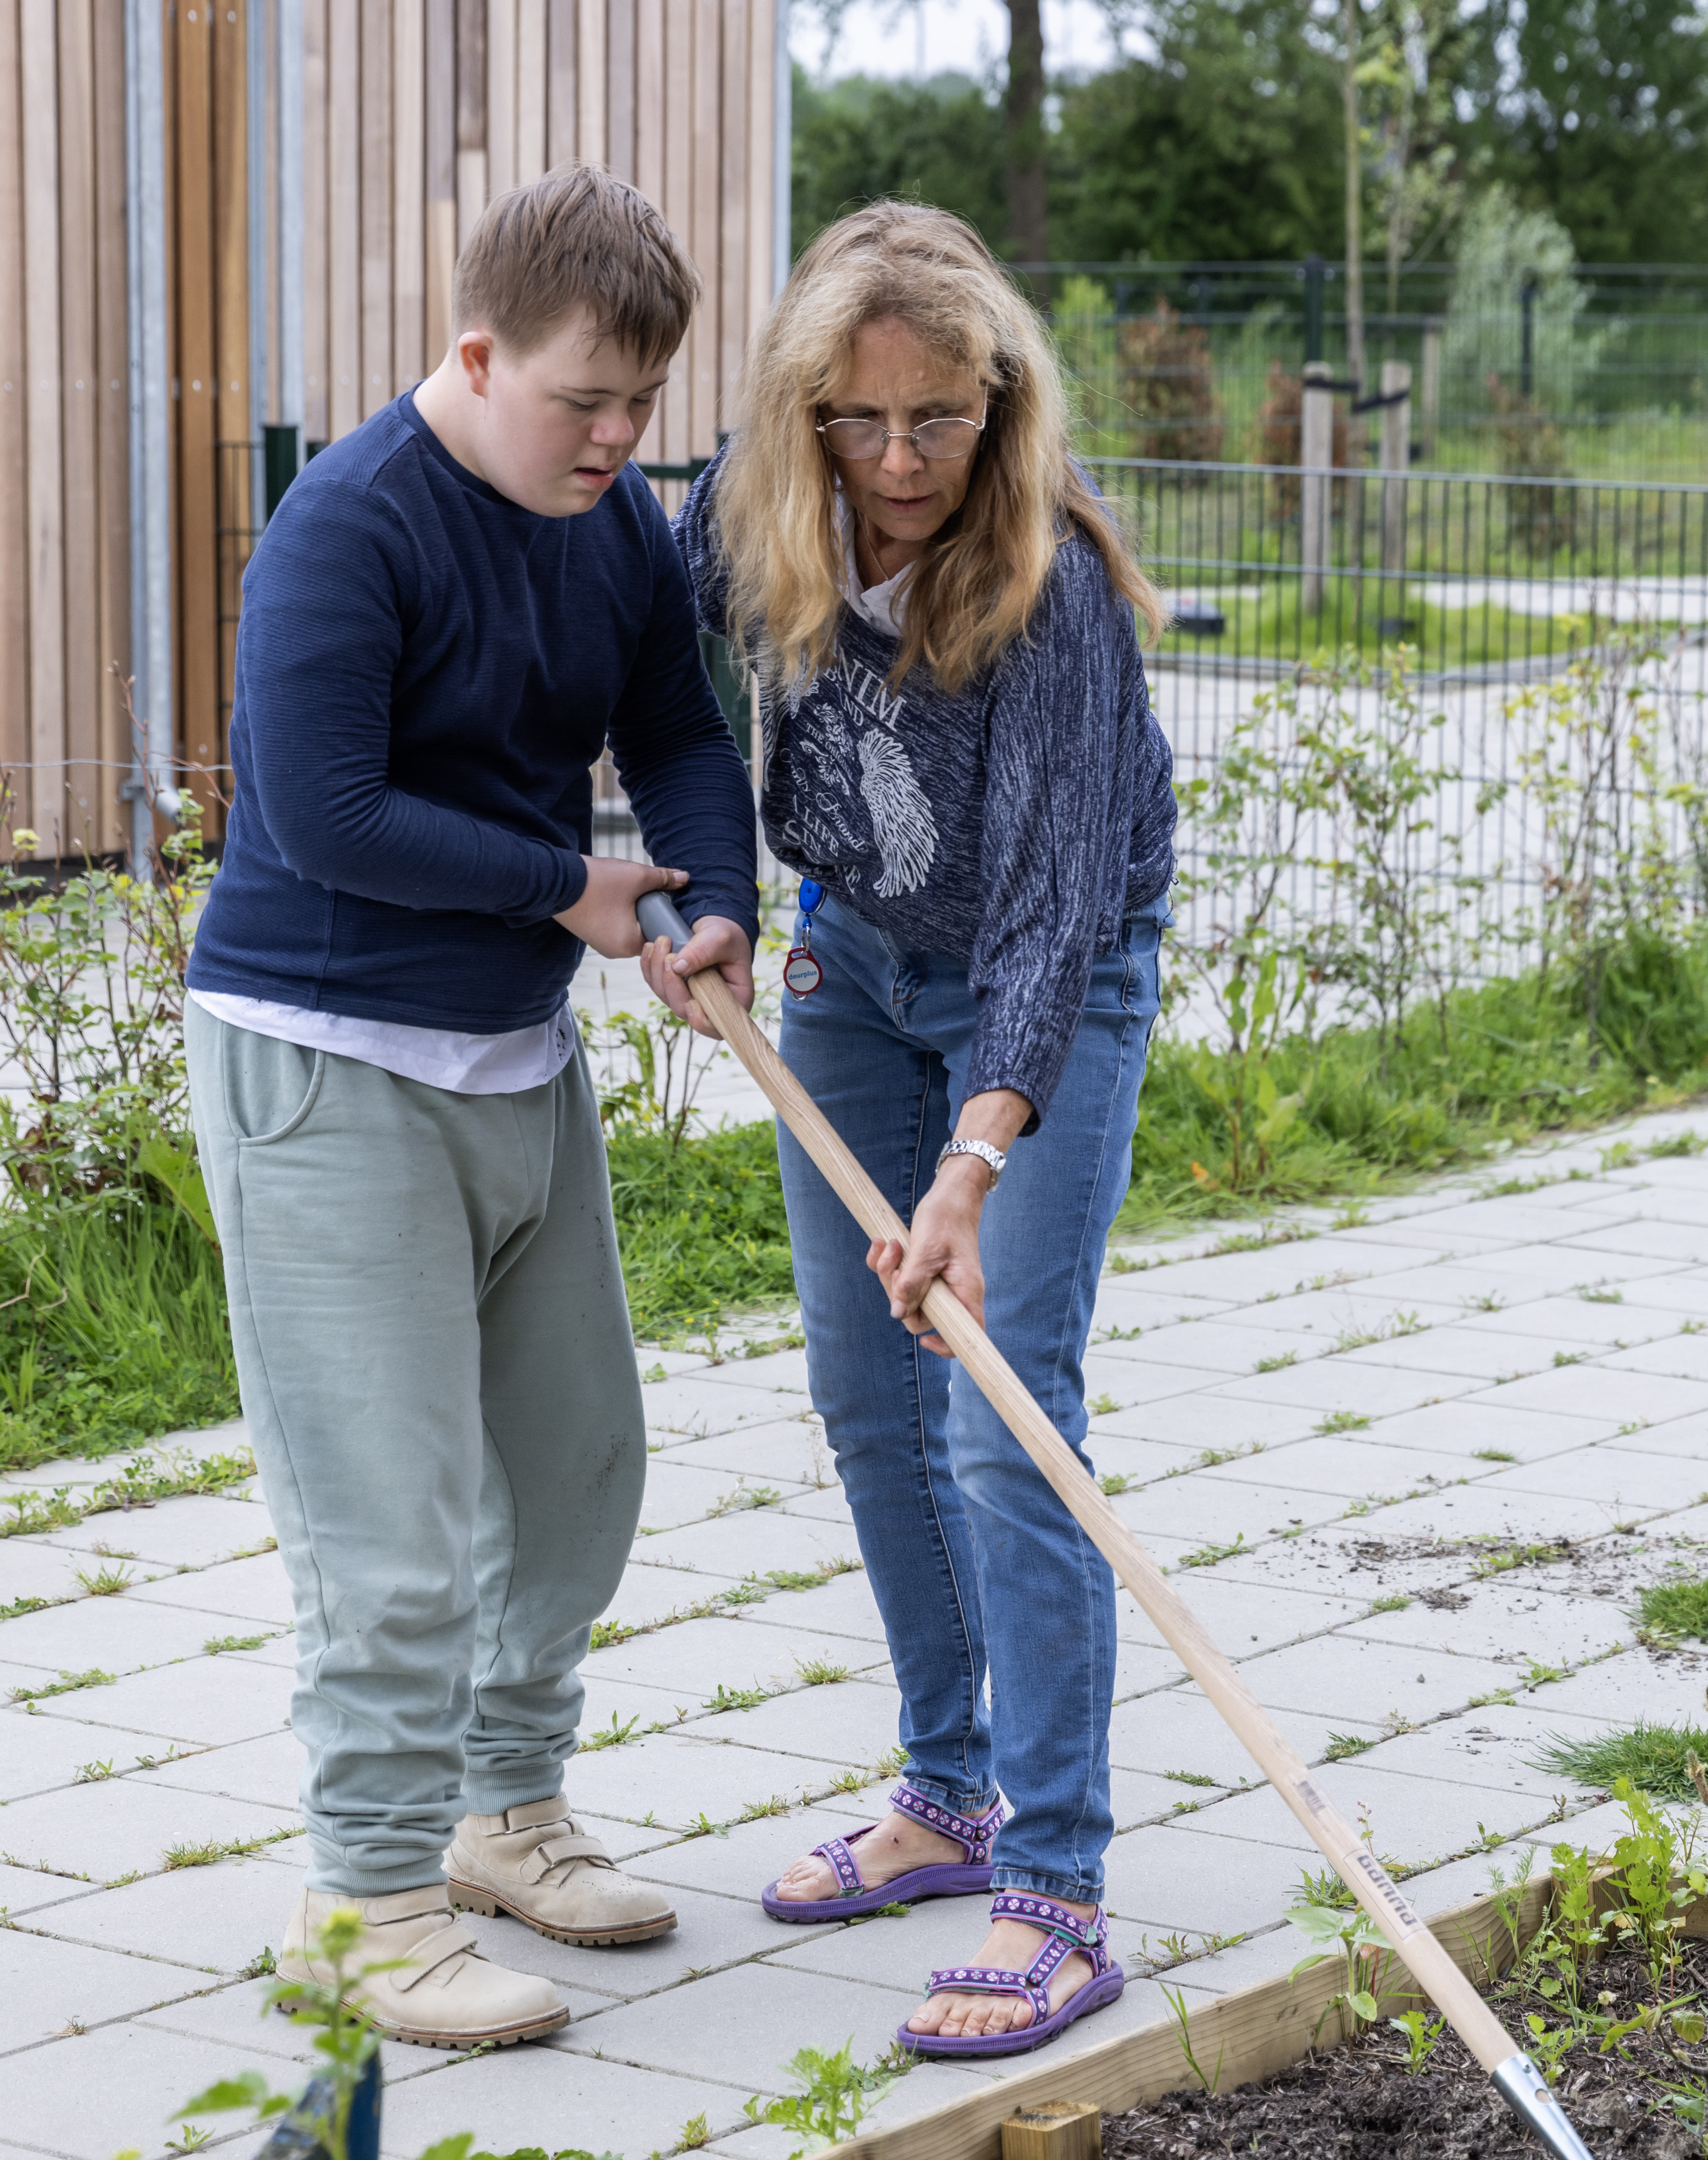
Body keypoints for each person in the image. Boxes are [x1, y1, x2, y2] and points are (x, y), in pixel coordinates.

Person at [191, 165, 761, 2049]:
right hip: (327, 1063)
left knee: (579, 1457)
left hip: (514, 1065)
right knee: (396, 1521)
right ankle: (364, 1897)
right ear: (474, 354)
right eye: (581, 402)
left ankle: (501, 1813)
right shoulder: (348, 526)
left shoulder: (607, 526)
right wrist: (564, 888)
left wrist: (710, 894)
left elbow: (674, 724)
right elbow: (317, 813)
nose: (616, 442)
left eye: (641, 410)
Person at [655, 200, 1171, 2061]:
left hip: (1048, 985)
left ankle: (1061, 1884)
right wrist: (693, 890)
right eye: (859, 426)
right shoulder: (744, 508)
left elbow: (1050, 916)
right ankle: (947, 1793)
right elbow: (654, 685)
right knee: (868, 1393)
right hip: (849, 965)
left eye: (937, 423)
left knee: (1004, 1409)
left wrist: (971, 1168)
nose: (896, 466)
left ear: (998, 407)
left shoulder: (1051, 594)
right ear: (802, 414)